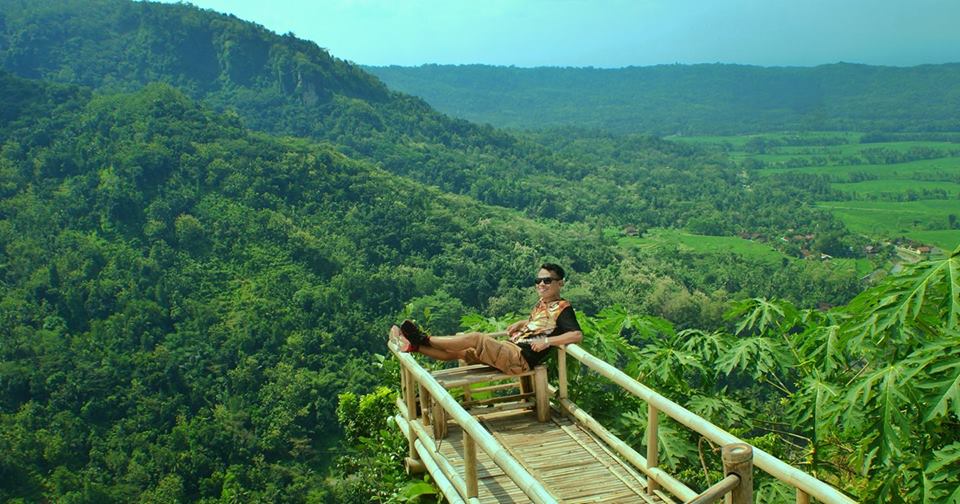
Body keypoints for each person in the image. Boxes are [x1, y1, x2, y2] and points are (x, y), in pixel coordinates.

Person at [390, 263, 583, 375]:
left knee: (475, 338)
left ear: (560, 283)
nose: (541, 284)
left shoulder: (563, 308)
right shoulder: (543, 304)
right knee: (464, 352)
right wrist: (523, 323)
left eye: (547, 281)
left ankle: (421, 338)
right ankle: (414, 347)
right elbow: (544, 324)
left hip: (518, 359)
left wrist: (547, 341)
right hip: (510, 349)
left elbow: (576, 335)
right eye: (538, 281)